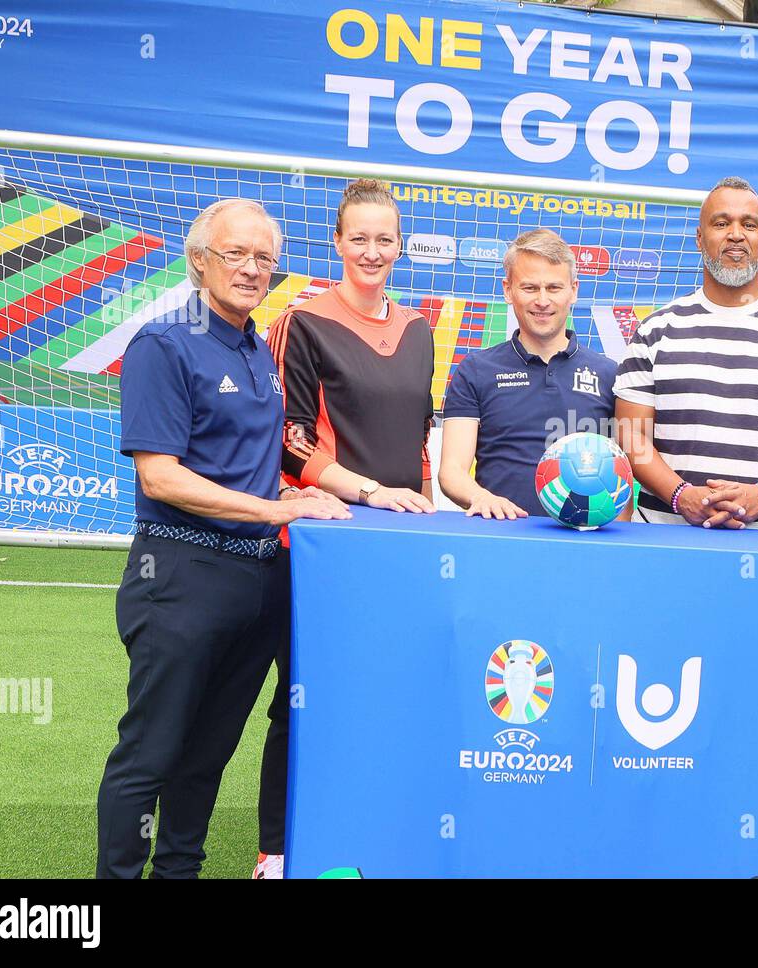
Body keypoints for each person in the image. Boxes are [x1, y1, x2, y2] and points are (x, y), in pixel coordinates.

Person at [96, 199, 350, 879]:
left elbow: (247, 466)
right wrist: (272, 512)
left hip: (256, 581)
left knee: (208, 756)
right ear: (199, 259)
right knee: (151, 752)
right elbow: (162, 478)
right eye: (235, 254)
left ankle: (179, 872)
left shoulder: (253, 344)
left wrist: (288, 498)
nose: (251, 269)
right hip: (183, 574)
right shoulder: (163, 342)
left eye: (264, 257)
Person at [253, 179, 436, 879]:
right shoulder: (301, 321)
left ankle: (368, 838)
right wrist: (370, 494)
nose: (370, 250)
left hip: (396, 546)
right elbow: (290, 442)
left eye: (383, 238)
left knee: (383, 698)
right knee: (300, 700)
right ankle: (276, 848)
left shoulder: (419, 328)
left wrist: (413, 509)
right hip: (321, 544)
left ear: (400, 245)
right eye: (357, 237)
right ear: (336, 242)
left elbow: (419, 438)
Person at [614, 176, 758, 530]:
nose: (736, 234)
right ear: (699, 238)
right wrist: (681, 496)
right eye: (721, 223)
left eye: (749, 224)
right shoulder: (654, 331)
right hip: (665, 539)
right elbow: (631, 434)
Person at [440, 229, 624, 520]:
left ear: (573, 290)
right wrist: (483, 499)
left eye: (554, 288)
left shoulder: (609, 375)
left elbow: (623, 472)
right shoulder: (475, 370)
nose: (542, 301)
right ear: (507, 289)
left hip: (581, 542)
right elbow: (451, 471)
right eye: (529, 288)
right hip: (500, 536)